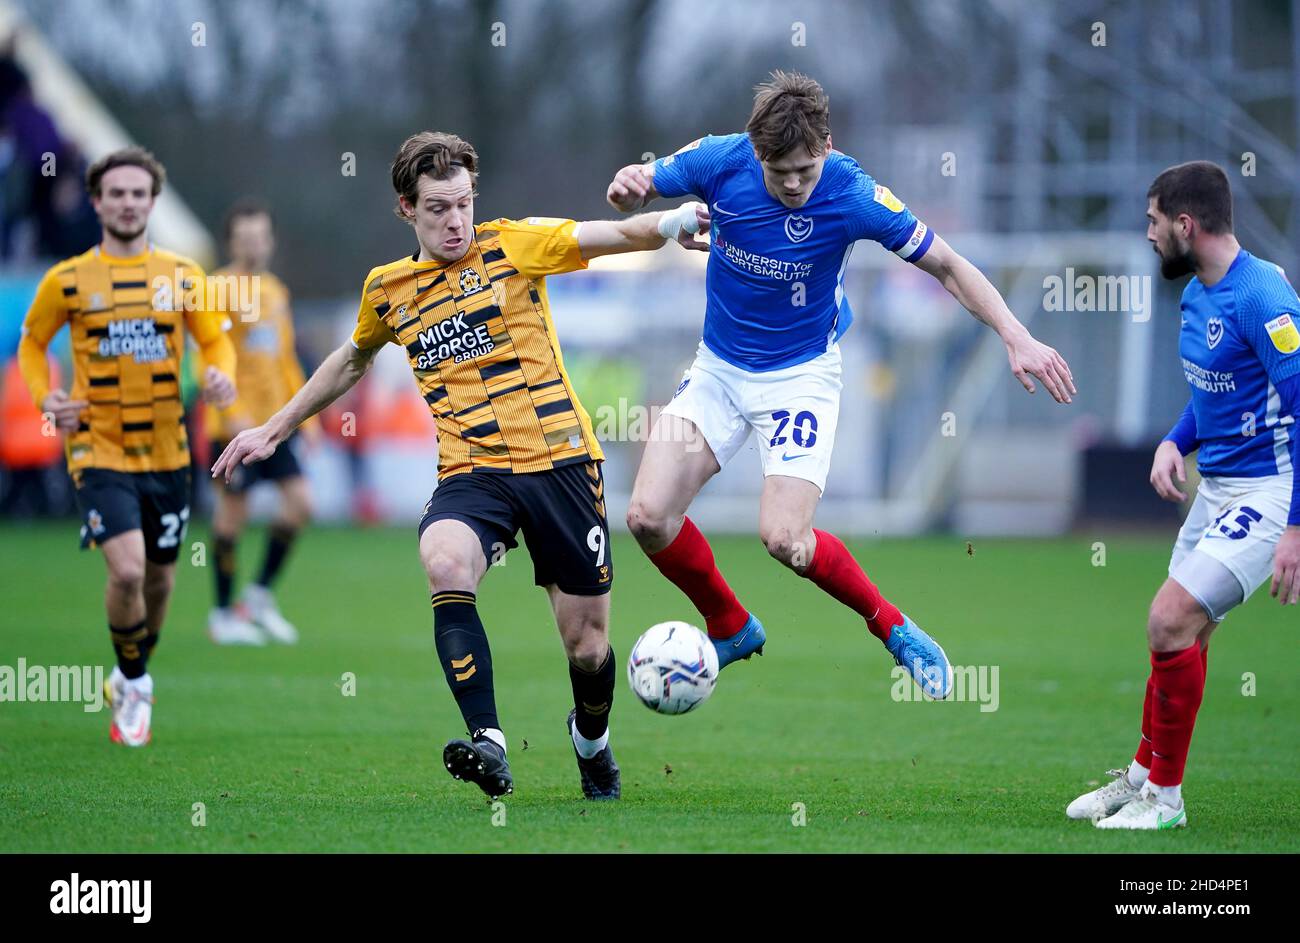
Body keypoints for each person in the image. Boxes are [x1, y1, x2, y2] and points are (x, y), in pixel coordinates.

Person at [213, 131, 709, 800]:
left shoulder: (513, 244)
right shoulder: (388, 289)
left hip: (561, 464)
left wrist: (675, 220)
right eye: (437, 209)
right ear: (405, 209)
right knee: (445, 559)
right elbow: (353, 358)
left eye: (463, 204)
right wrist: (273, 428)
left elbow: (609, 236)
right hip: (473, 473)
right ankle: (490, 743)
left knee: (587, 646)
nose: (455, 222)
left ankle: (591, 741)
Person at [605, 71, 1074, 697]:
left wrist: (1016, 334)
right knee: (646, 517)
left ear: (827, 144)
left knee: (785, 540)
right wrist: (627, 189)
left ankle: (892, 627)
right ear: (754, 152)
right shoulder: (720, 158)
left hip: (801, 377)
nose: (794, 185)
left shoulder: (854, 193)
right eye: (779, 174)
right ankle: (730, 622)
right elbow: (631, 191)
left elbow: (947, 265)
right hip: (719, 368)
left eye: (804, 169)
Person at [1069, 161, 1300, 829]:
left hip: (1268, 493)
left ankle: (1165, 799)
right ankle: (1143, 776)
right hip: (1217, 489)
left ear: (1185, 224)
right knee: (1180, 633)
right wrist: (1176, 439)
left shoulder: (1263, 297)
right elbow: (1216, 393)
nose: (1147, 234)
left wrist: (1295, 528)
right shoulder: (1199, 291)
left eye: (1152, 221)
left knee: (1168, 619)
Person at [18, 146, 236, 746]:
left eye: (138, 193)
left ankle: (129, 669)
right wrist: (46, 398)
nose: (128, 202)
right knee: (128, 568)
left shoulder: (182, 276)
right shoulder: (67, 280)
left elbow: (216, 344)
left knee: (160, 583)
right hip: (98, 449)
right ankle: (137, 684)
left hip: (168, 454)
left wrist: (221, 376)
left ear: (152, 202)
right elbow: (31, 346)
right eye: (116, 193)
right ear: (97, 202)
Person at [206, 200, 314, 646]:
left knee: (302, 504)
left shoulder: (275, 292)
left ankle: (259, 596)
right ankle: (222, 614)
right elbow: (208, 357)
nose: (254, 244)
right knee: (233, 517)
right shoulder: (215, 290)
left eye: (260, 236)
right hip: (232, 426)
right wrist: (231, 415)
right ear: (231, 241)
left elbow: (285, 358)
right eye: (245, 237)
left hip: (273, 426)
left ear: (269, 240)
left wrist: (308, 420)